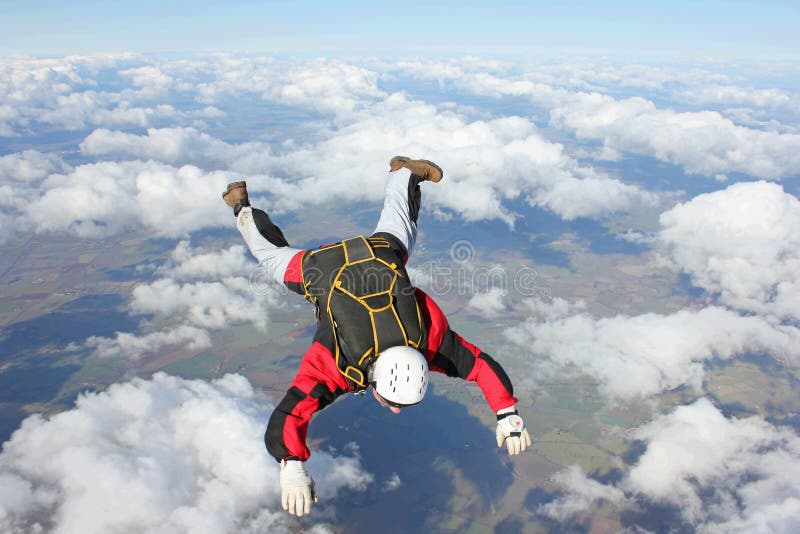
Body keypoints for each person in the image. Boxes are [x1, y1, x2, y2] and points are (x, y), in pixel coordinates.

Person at [223, 157, 532, 517]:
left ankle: (404, 174)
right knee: (268, 255)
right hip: (320, 270)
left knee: (399, 218)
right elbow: (290, 413)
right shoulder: (338, 364)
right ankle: (240, 206)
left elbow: (481, 365)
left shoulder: (431, 343)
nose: (397, 409)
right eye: (396, 400)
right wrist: (291, 464)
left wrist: (507, 412)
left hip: (380, 253)